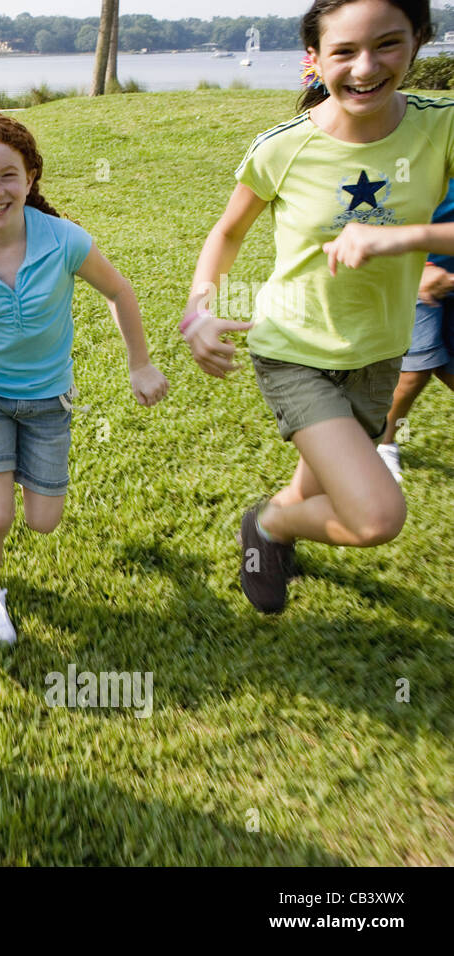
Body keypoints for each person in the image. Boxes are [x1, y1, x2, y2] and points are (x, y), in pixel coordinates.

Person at [182, 0, 454, 614]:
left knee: (327, 475)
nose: (366, 67)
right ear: (317, 58)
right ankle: (271, 525)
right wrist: (199, 310)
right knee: (376, 515)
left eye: (388, 44)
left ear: (420, 38)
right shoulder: (283, 148)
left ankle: (274, 526)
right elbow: (227, 233)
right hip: (294, 350)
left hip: (382, 350)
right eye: (344, 52)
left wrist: (403, 236)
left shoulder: (443, 126)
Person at [0, 114, 168, 643]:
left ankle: (14, 467)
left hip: (47, 403)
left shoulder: (64, 241)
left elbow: (119, 292)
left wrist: (140, 363)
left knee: (43, 521)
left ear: (31, 176)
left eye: (9, 175)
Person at [376, 179, 454, 481]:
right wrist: (417, 267)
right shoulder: (421, 146)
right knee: (415, 370)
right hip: (413, 274)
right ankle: (383, 443)